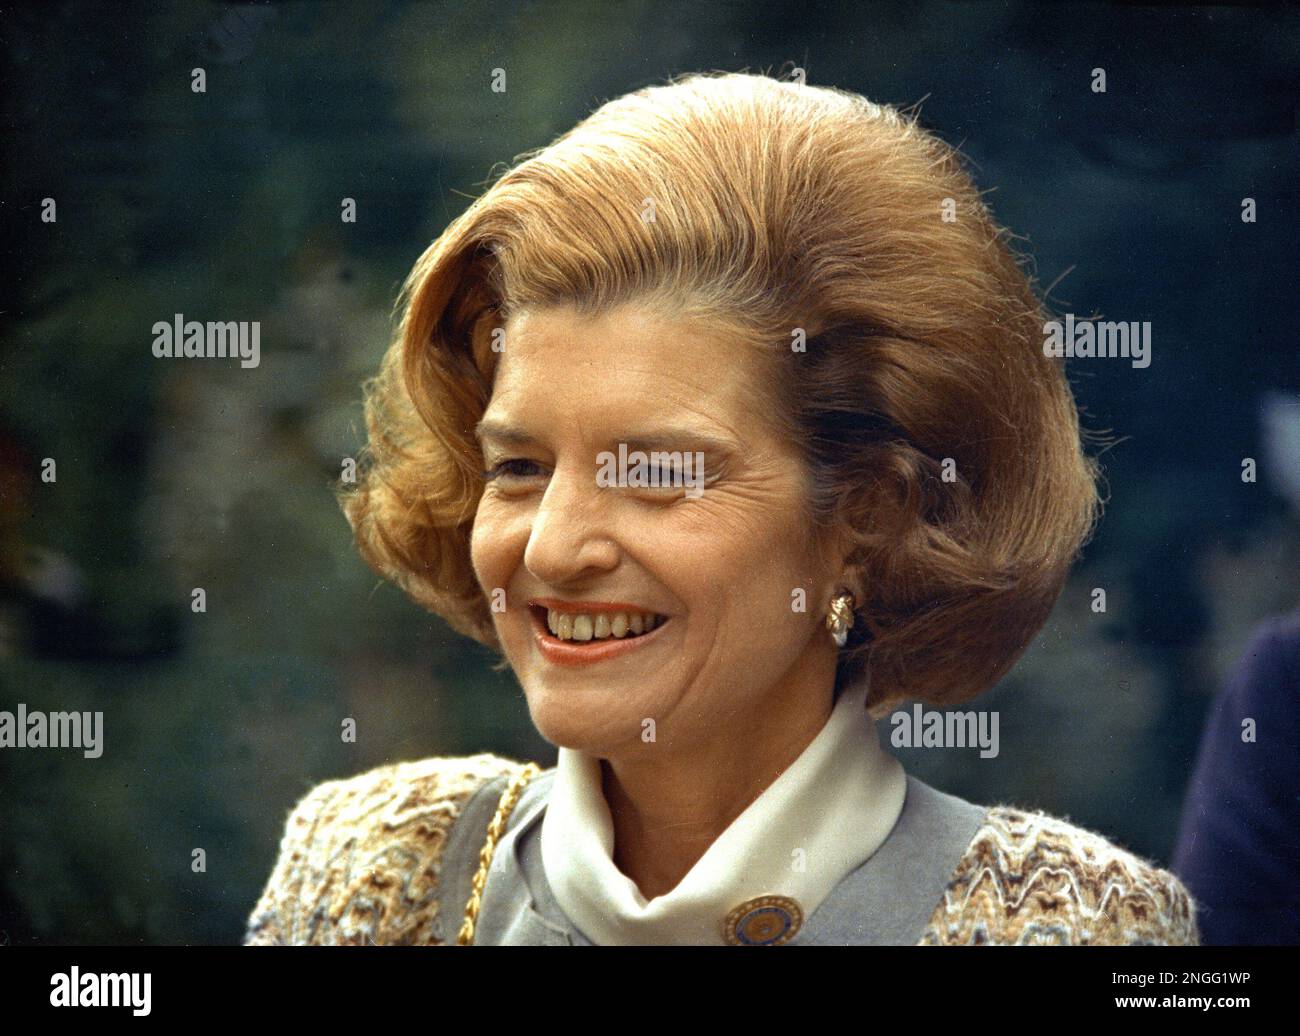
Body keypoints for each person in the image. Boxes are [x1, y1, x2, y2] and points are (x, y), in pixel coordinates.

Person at [243, 72, 1198, 946]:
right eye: (520, 467)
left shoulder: (1067, 922)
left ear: (868, 515)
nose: (556, 544)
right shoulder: (380, 874)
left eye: (655, 474)